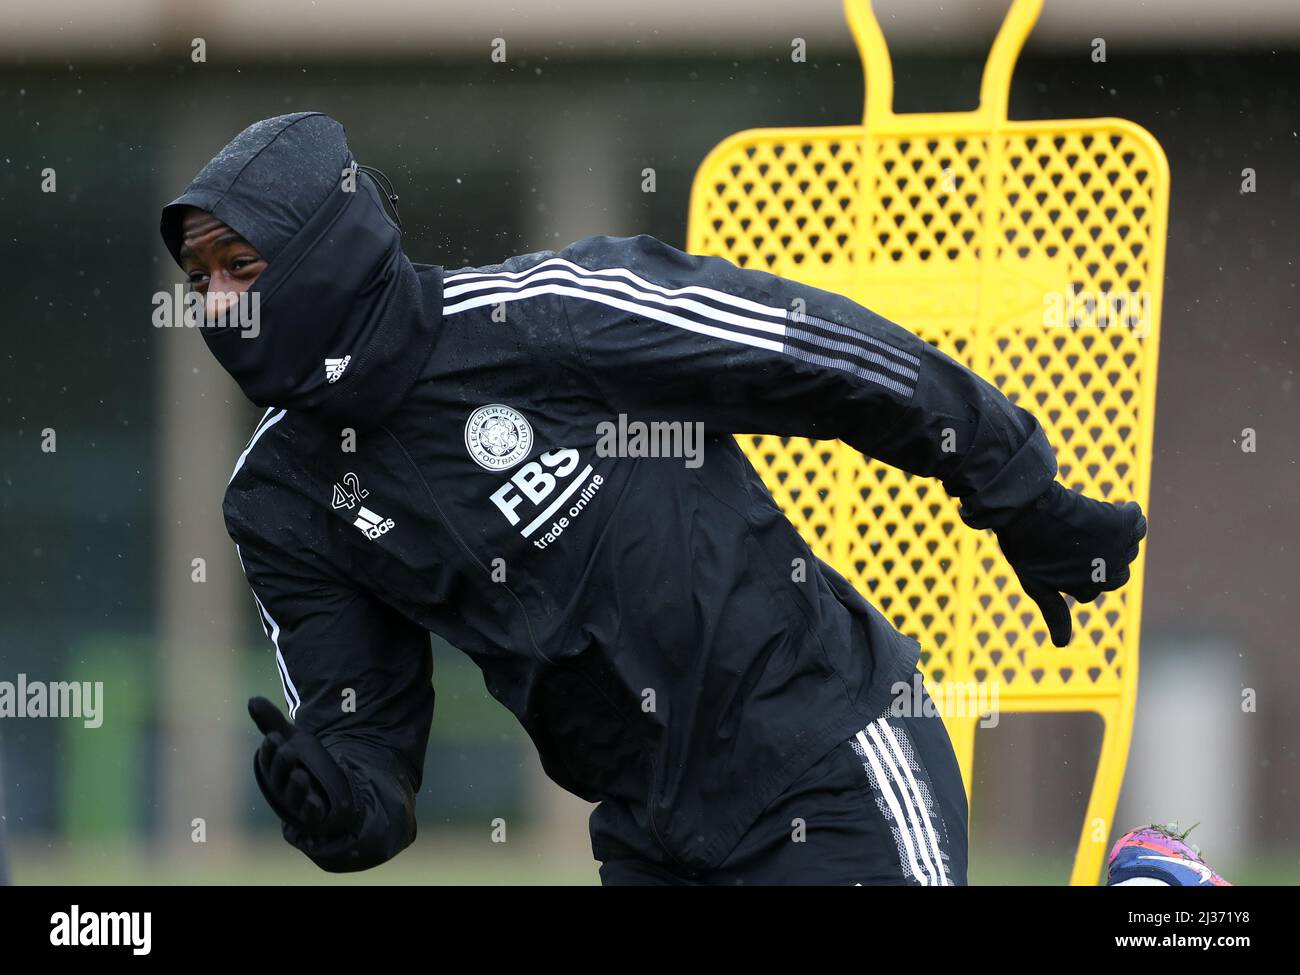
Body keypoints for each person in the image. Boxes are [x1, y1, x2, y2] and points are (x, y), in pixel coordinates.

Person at [158, 112, 1147, 885]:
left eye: (241, 269)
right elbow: (365, 743)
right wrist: (337, 806)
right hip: (650, 836)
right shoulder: (282, 497)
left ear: (332, 254)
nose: (215, 305)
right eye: (199, 279)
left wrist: (1013, 488)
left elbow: (817, 355)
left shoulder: (551, 319)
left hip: (823, 752)